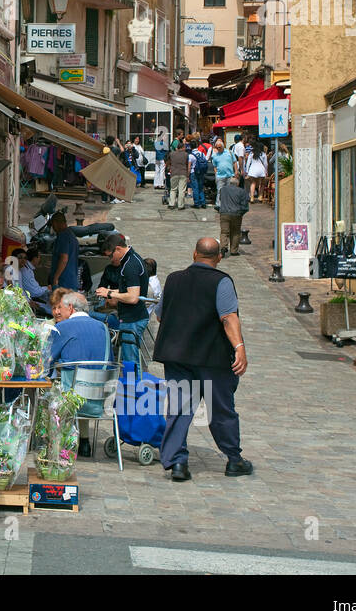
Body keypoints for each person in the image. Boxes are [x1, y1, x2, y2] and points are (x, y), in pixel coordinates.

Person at [153, 237, 251, 481]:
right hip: (212, 358)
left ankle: (177, 463)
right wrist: (239, 347)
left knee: (178, 409)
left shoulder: (174, 279)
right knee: (221, 409)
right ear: (218, 258)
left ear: (194, 254)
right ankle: (233, 459)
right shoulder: (222, 281)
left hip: (177, 356)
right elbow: (228, 317)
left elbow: (160, 316)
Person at [49, 290, 109, 457]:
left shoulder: (62, 327)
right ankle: (84, 442)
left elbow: (46, 360)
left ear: (70, 307)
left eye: (61, 307)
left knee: (53, 387)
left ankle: (55, 441)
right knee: (82, 381)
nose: (59, 312)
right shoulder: (103, 328)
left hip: (71, 402)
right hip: (98, 402)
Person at [93, 233, 149, 368]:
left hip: (133, 319)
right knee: (128, 358)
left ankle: (132, 387)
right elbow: (130, 292)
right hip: (130, 317)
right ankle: (131, 385)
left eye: (110, 256)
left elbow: (133, 297)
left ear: (118, 249)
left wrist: (110, 293)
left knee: (130, 360)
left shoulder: (130, 265)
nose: (110, 259)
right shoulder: (130, 260)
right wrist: (108, 293)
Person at [217, 173, 250, 256]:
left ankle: (223, 247)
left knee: (224, 231)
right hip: (236, 214)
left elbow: (220, 199)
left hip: (224, 213)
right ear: (237, 184)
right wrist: (241, 213)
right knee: (235, 232)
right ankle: (234, 250)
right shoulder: (242, 191)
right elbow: (245, 205)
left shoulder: (223, 189)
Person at [48, 212, 80, 291]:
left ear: (55, 223)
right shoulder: (71, 235)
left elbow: (64, 259)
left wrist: (55, 278)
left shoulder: (63, 236)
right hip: (71, 281)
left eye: (52, 225)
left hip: (63, 282)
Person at [166, 141, 190, 210]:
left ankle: (171, 204)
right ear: (182, 148)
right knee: (181, 190)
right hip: (183, 173)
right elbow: (187, 165)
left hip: (174, 173)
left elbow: (168, 162)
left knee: (173, 189)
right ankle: (180, 205)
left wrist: (169, 169)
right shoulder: (186, 155)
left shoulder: (172, 154)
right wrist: (188, 175)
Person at [188, 139, 208, 209]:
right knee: (201, 188)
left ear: (190, 147)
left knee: (195, 188)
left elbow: (189, 166)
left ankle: (196, 203)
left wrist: (188, 176)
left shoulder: (191, 155)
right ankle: (203, 202)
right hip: (201, 172)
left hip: (194, 172)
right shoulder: (202, 153)